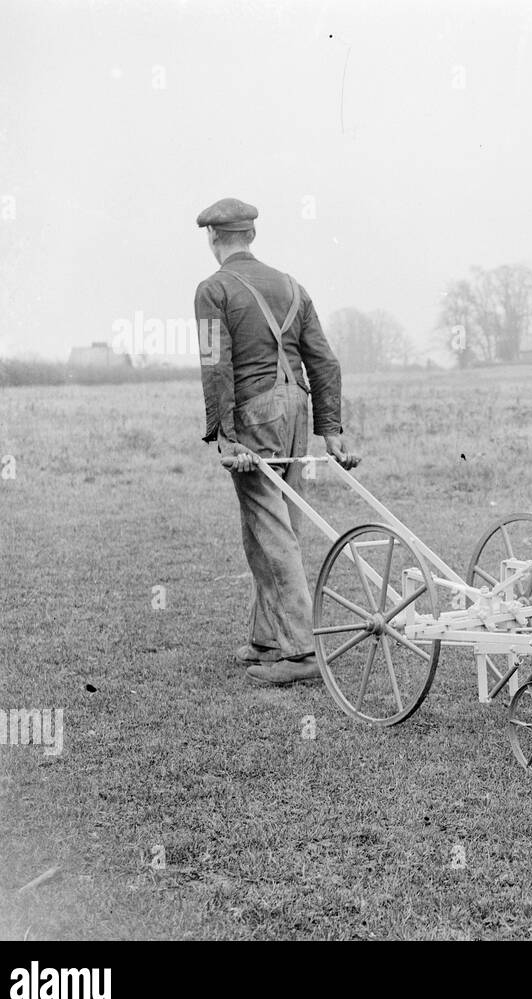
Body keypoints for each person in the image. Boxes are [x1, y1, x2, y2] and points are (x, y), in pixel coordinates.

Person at [194, 197, 359, 685]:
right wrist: (330, 431)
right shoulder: (292, 285)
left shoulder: (213, 290)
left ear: (212, 238)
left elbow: (215, 365)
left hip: (255, 413)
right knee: (273, 525)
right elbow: (324, 362)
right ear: (251, 236)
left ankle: (302, 651)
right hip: (297, 409)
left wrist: (226, 436)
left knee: (270, 529)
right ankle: (268, 640)